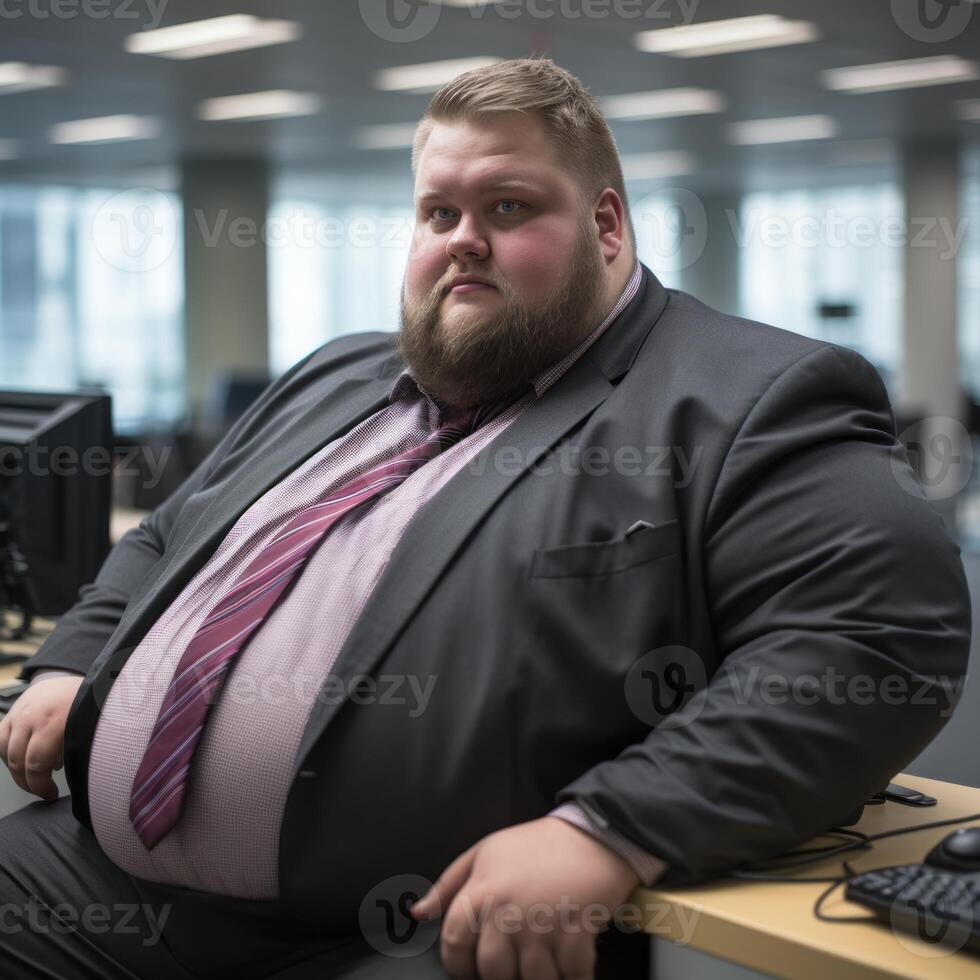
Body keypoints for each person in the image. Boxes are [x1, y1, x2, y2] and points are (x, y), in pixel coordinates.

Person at [0, 57, 970, 979]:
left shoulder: (742, 394)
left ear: (603, 223)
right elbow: (173, 532)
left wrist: (606, 826)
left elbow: (870, 639)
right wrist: (77, 655)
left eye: (506, 207)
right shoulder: (337, 373)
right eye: (438, 211)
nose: (463, 236)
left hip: (418, 921)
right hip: (109, 881)